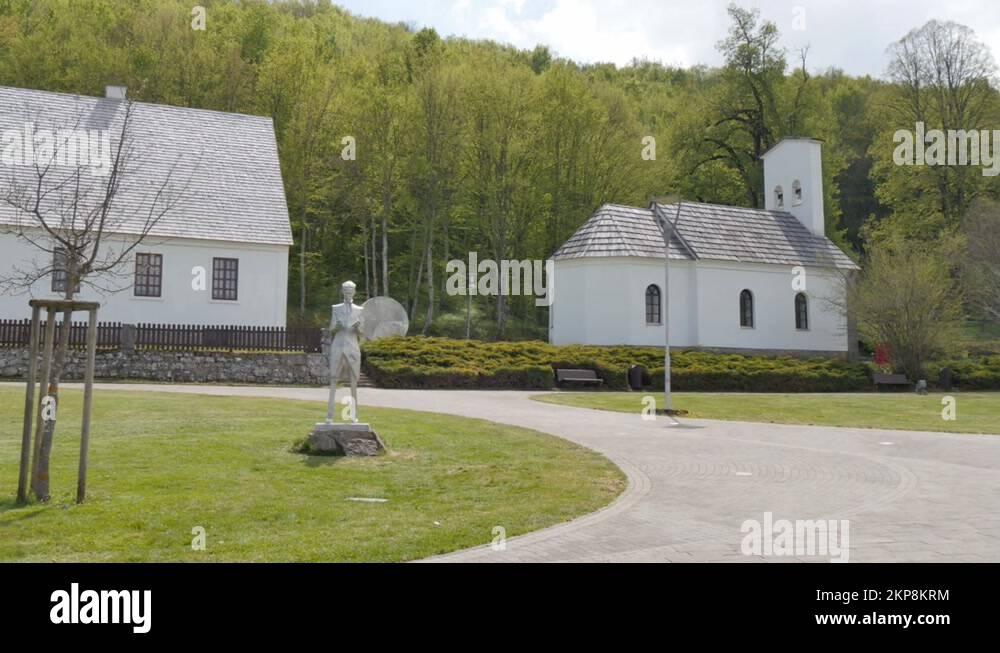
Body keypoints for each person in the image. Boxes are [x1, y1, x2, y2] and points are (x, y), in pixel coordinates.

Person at [326, 281, 363, 424]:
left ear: (354, 292)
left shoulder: (359, 310)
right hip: (338, 346)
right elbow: (331, 329)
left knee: (354, 381)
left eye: (350, 291)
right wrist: (337, 326)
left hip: (353, 347)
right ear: (342, 291)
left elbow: (363, 332)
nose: (348, 294)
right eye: (346, 291)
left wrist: (358, 328)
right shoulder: (336, 308)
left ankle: (354, 416)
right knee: (333, 379)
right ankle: (329, 416)